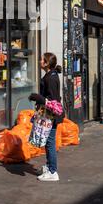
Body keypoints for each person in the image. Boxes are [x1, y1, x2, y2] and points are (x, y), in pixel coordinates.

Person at [29, 52, 64, 182]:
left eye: (41, 59)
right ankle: (49, 167)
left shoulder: (51, 78)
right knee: (49, 142)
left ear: (46, 63)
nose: (39, 61)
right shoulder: (50, 75)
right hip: (49, 115)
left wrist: (38, 98)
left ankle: (52, 172)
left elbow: (53, 101)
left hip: (51, 116)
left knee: (49, 143)